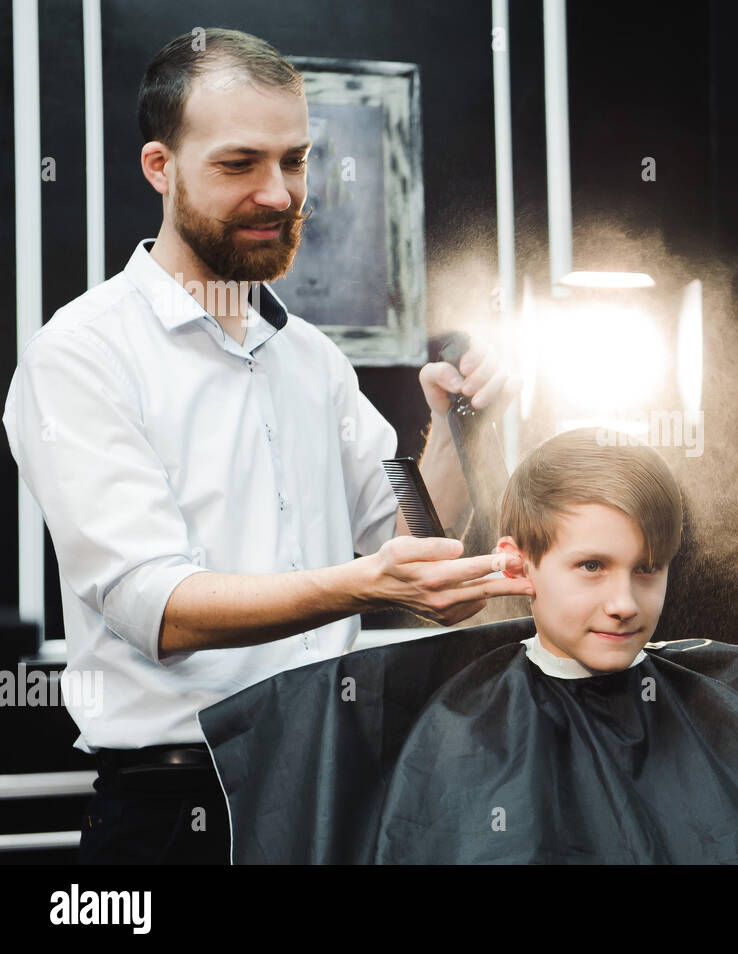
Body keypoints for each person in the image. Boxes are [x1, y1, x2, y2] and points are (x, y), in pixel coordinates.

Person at [1, 28, 532, 865]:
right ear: (159, 168)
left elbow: (402, 544)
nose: (280, 194)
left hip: (336, 783)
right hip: (175, 809)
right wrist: (361, 585)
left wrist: (457, 434)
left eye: (296, 160)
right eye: (239, 163)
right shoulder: (81, 353)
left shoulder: (311, 358)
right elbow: (158, 609)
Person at [199, 428, 738, 864]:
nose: (624, 602)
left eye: (648, 569)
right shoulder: (470, 733)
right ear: (518, 565)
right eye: (591, 567)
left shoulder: (736, 687)